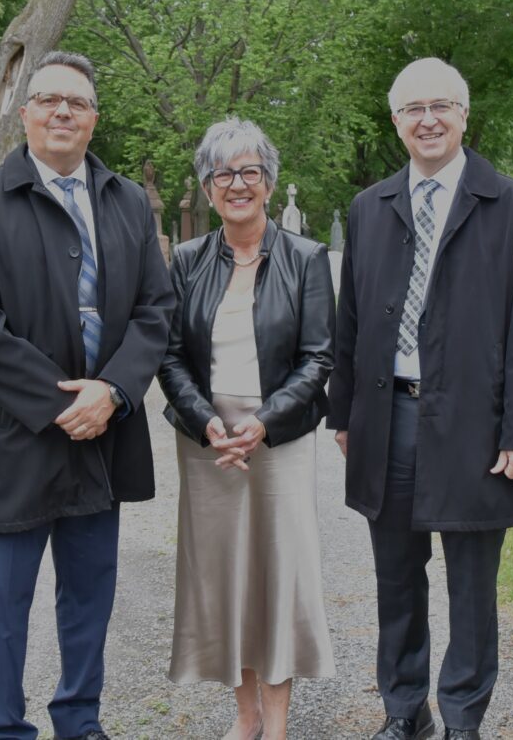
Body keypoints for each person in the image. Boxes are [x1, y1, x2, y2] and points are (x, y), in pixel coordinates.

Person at [0, 50, 174, 740]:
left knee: (89, 595)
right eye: (48, 99)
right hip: (16, 437)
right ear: (25, 113)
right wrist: (60, 402)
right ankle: (2, 728)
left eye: (76, 101)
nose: (62, 111)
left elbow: (156, 310)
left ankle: (80, 718)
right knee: (3, 604)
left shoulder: (127, 200)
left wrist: (112, 390)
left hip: (104, 437)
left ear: (94, 118)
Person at [327, 58, 513, 740]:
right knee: (397, 577)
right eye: (412, 109)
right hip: (387, 416)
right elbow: (352, 320)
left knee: (471, 587)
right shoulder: (370, 208)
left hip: (475, 426)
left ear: (464, 114)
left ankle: (462, 718)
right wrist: (343, 413)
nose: (427, 119)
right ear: (396, 122)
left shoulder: (510, 205)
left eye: (441, 106)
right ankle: (404, 710)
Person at [159, 117, 336, 740]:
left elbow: (319, 357)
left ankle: (279, 722)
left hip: (279, 437)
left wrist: (262, 423)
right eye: (224, 173)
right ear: (208, 188)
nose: (238, 184)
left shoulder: (307, 259)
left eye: (250, 171)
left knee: (279, 572)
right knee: (226, 574)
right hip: (207, 443)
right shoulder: (184, 261)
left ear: (268, 181)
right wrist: (207, 423)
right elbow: (170, 355)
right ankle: (245, 714)